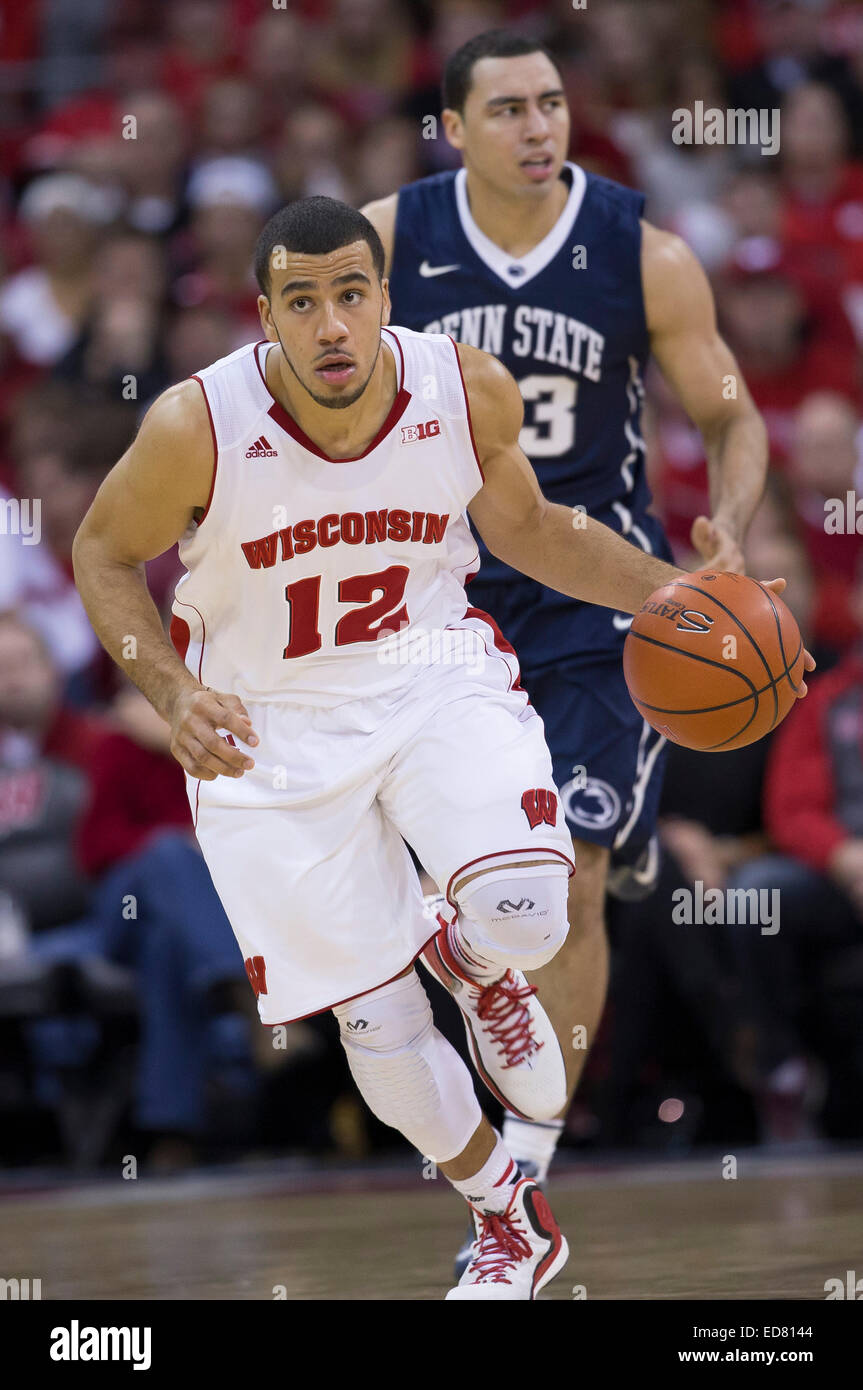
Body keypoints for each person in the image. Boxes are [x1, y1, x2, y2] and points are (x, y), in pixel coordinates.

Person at [71, 196, 808, 1300]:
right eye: (302, 302)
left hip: (427, 672)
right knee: (377, 1026)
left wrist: (679, 588)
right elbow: (99, 553)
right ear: (264, 314)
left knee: (529, 910)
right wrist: (171, 691)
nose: (330, 325)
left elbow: (538, 533)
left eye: (351, 295)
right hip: (265, 725)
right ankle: (510, 1221)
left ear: (384, 299)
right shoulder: (196, 424)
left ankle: (466, 950)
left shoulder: (459, 388)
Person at [360, 30, 771, 1229]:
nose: (539, 127)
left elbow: (731, 416)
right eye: (508, 109)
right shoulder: (387, 241)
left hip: (597, 600)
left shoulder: (643, 252)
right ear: (454, 127)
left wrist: (729, 527)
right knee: (462, 891)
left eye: (550, 104)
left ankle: (527, 1156)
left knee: (574, 876)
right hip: (447, 595)